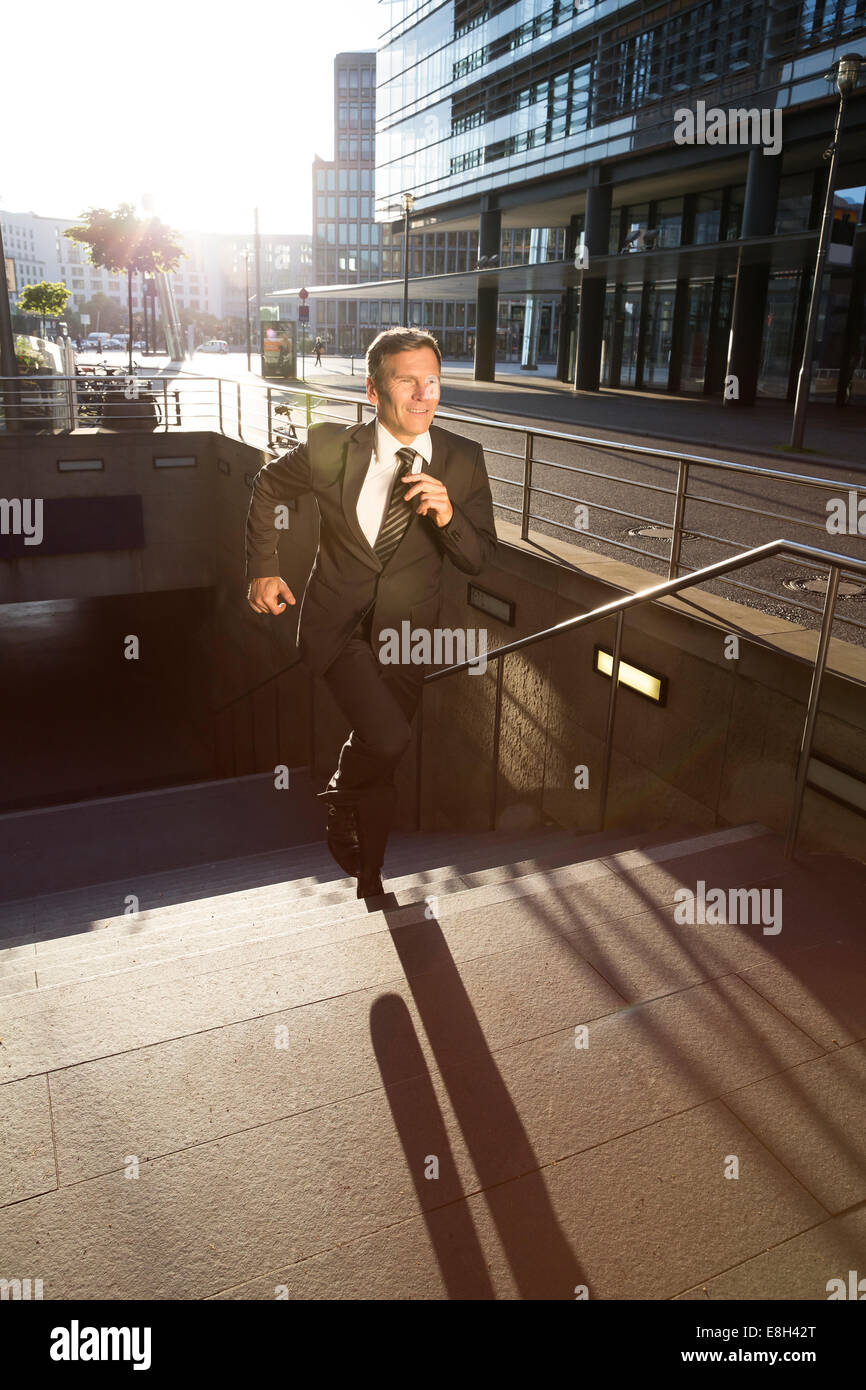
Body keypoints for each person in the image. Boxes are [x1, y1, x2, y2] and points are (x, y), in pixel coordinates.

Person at [245, 327, 497, 899]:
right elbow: (265, 486)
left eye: (431, 380)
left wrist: (448, 514)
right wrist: (263, 567)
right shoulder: (332, 447)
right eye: (406, 381)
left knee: (384, 750)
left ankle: (371, 875)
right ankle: (339, 798)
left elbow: (481, 560)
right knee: (386, 738)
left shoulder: (464, 459)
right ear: (373, 390)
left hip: (409, 636)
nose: (422, 394)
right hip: (337, 628)